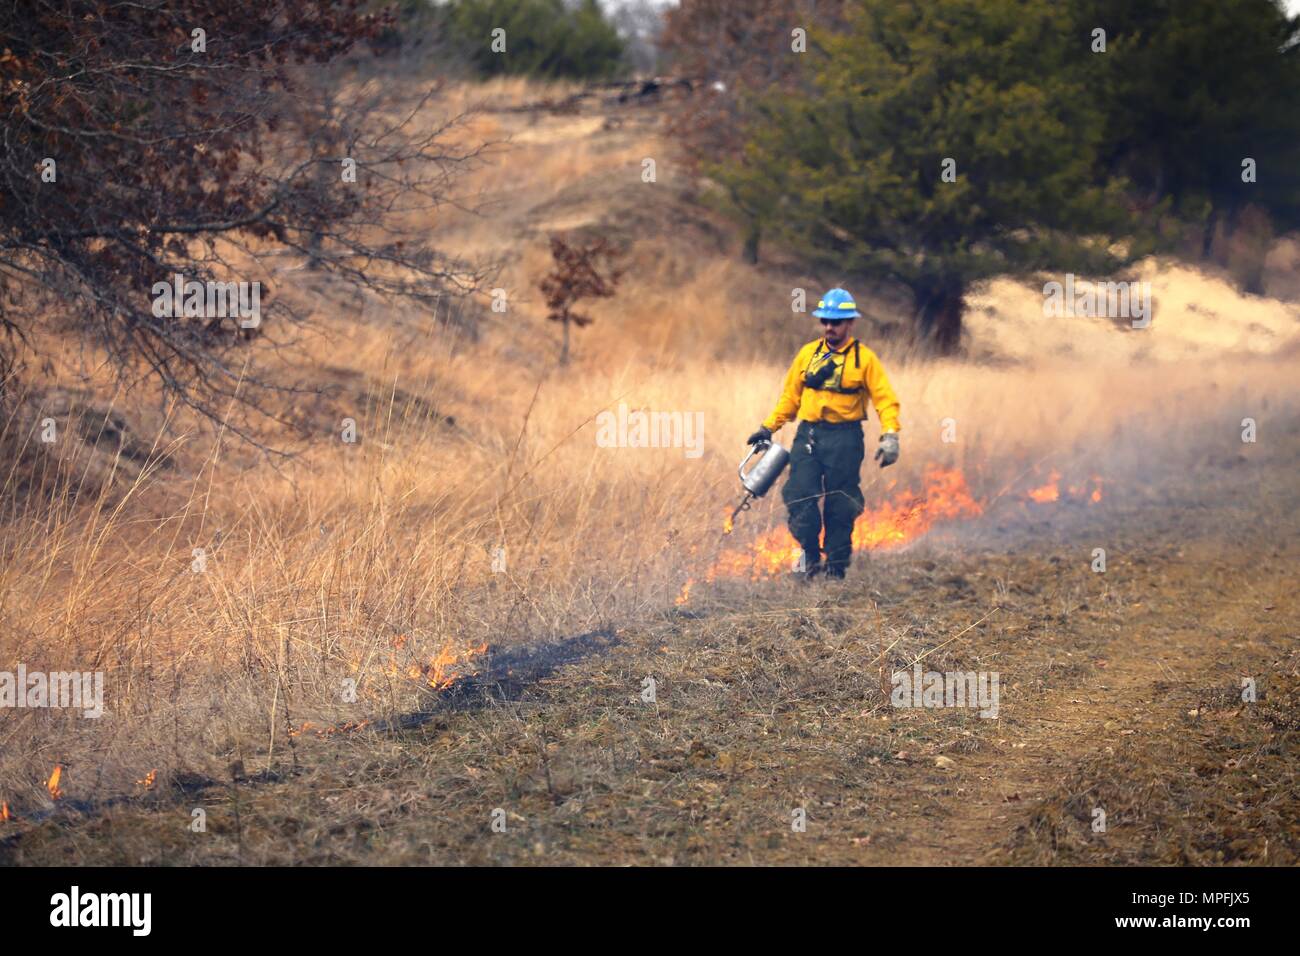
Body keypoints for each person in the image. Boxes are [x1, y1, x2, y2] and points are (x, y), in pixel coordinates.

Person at [746, 288, 901, 579]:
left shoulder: (864, 359)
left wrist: (890, 435)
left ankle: (836, 568)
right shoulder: (808, 354)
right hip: (809, 437)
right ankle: (809, 556)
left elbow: (885, 399)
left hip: (846, 439)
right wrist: (768, 427)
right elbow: (790, 398)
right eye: (826, 321)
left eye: (837, 322)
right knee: (798, 495)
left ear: (850, 323)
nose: (830, 327)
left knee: (841, 503)